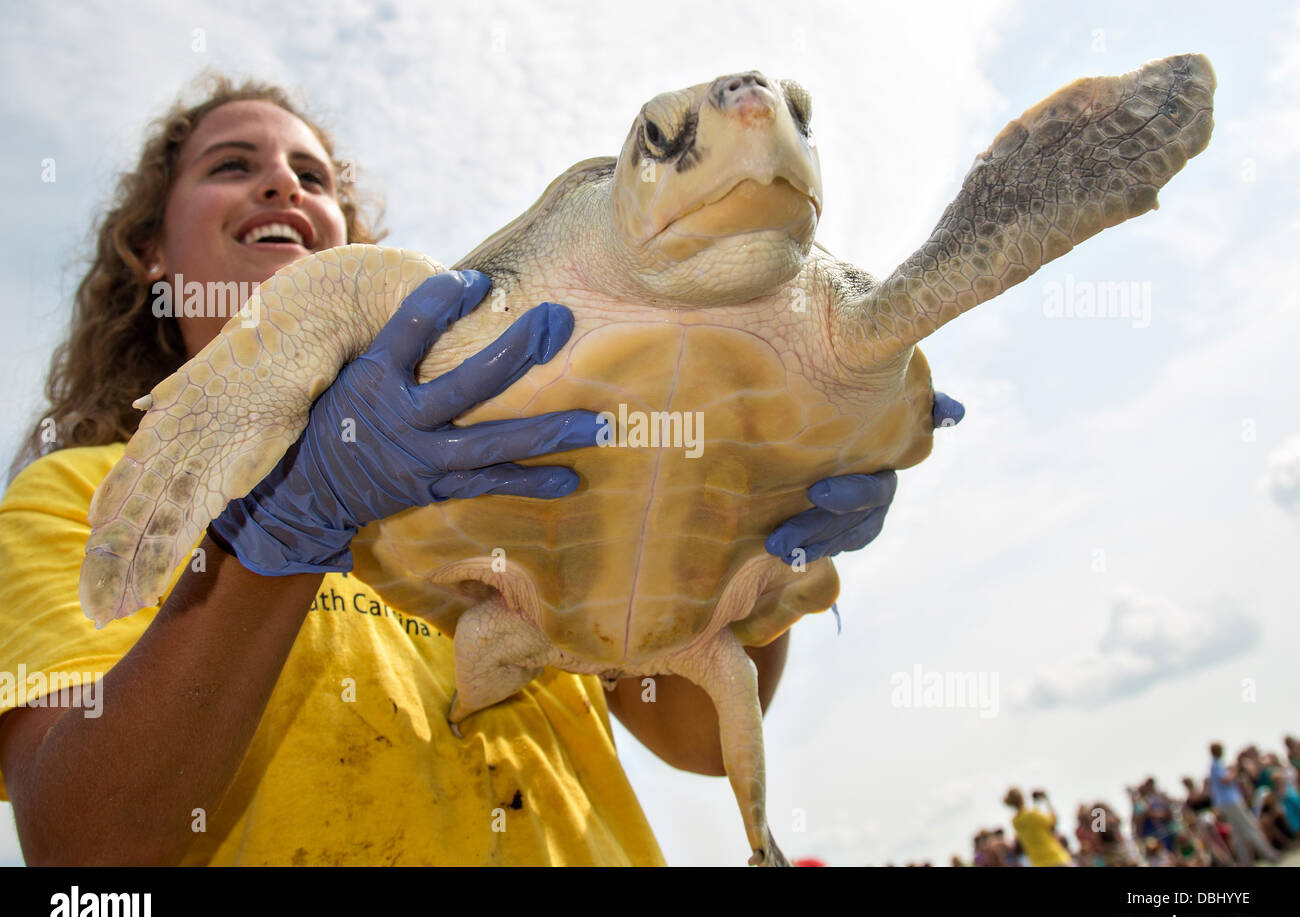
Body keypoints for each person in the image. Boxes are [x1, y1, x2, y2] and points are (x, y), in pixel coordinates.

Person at [0, 76, 961, 866]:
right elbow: (85, 858)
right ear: (152, 253)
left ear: (349, 230)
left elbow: (697, 741)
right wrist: (284, 527)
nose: (282, 188)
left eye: (312, 175)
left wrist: (755, 537)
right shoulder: (85, 497)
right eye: (232, 167)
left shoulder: (507, 426)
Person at [1208, 741, 1280, 865]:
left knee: (1239, 834)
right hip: (1230, 801)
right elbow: (1226, 780)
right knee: (1250, 827)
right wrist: (1236, 768)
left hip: (1227, 802)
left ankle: (1245, 862)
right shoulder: (1216, 765)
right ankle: (1269, 854)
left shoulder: (1216, 765)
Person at [1004, 787, 1071, 867]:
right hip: (1054, 857)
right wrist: (1046, 800)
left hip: (1038, 863)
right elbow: (1054, 821)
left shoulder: (1015, 821)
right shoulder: (1032, 814)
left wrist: (1035, 804)